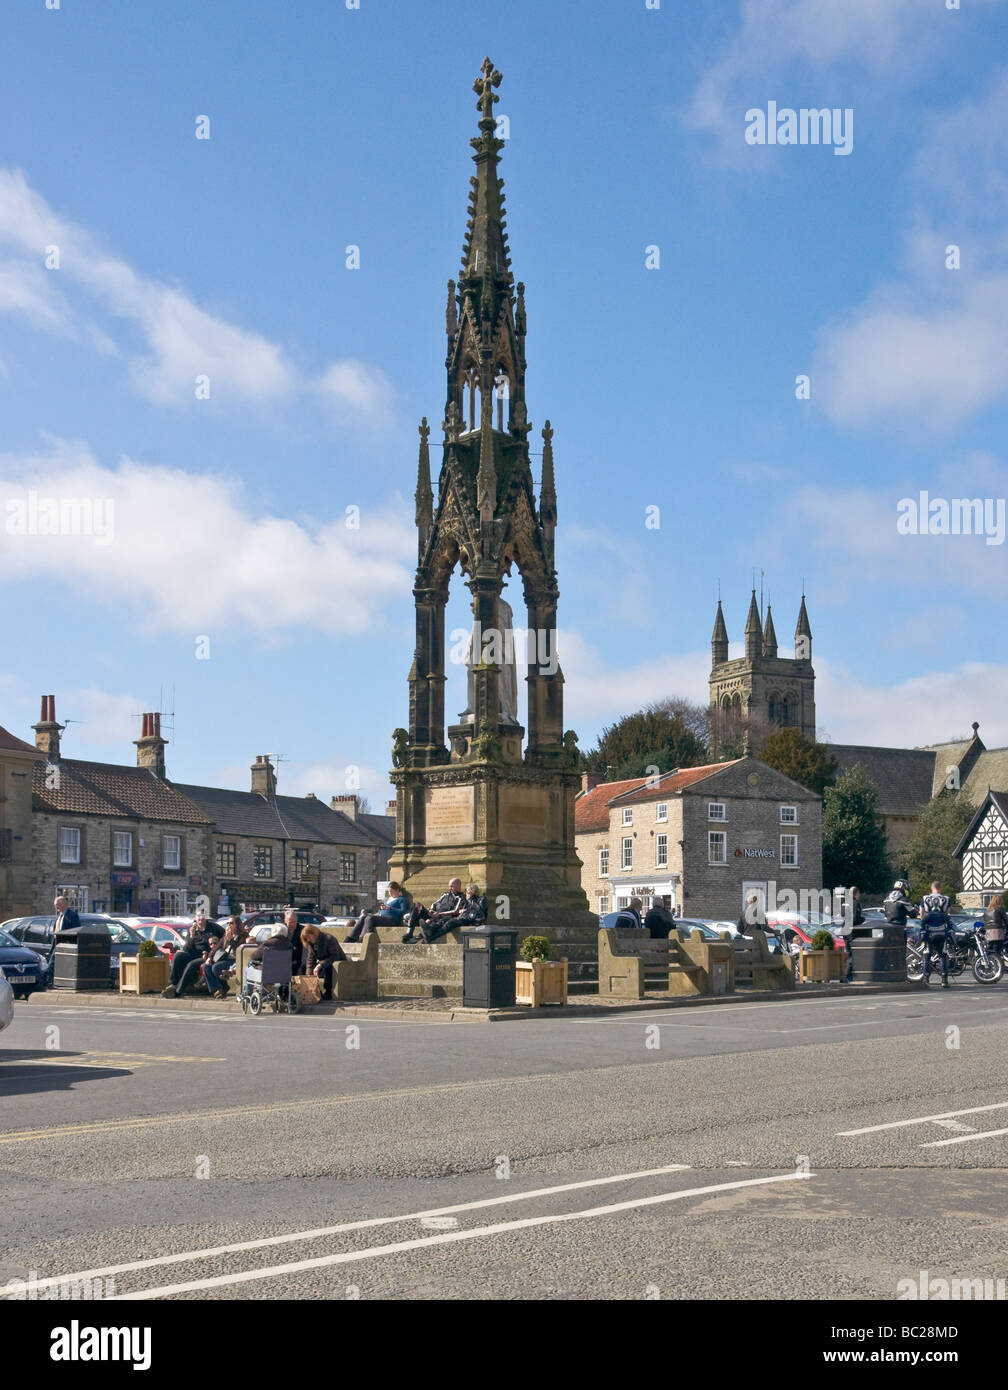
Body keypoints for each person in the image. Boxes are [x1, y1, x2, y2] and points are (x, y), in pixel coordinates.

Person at [162, 909, 224, 997]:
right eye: (198, 916)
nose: (201, 918)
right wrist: (191, 936)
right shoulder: (193, 929)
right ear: (195, 918)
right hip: (193, 954)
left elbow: (224, 936)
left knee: (191, 964)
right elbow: (186, 949)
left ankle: (178, 991)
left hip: (206, 956)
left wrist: (216, 948)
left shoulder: (213, 928)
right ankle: (172, 985)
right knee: (178, 955)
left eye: (203, 916)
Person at [402, 878, 465, 943]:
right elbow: (435, 903)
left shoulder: (461, 897)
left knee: (430, 923)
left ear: (458, 886)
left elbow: (455, 911)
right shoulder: (446, 894)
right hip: (433, 914)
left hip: (443, 918)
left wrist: (438, 914)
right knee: (417, 905)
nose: (450, 888)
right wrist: (431, 910)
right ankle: (409, 932)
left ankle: (417, 937)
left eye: (452, 886)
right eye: (449, 886)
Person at [202, 916, 248, 1000]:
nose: (229, 925)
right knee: (205, 966)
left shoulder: (243, 936)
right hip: (225, 958)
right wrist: (210, 957)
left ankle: (223, 988)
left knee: (216, 967)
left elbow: (238, 950)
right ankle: (215, 990)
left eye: (231, 923)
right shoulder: (226, 935)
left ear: (237, 925)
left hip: (235, 960)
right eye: (228, 923)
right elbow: (216, 948)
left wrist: (231, 940)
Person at [299, 924, 347, 1001]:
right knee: (305, 966)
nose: (308, 940)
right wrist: (309, 977)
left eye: (308, 937)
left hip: (337, 964)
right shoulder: (311, 944)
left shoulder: (329, 939)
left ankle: (328, 992)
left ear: (313, 933)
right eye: (306, 938)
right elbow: (310, 960)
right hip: (323, 964)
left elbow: (335, 956)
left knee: (327, 967)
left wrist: (320, 965)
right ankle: (313, 990)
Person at [918, 881, 952, 989]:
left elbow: (921, 914)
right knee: (943, 955)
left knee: (927, 955)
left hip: (929, 933)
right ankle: (944, 980)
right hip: (942, 931)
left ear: (931, 888)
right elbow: (948, 914)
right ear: (940, 888)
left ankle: (926, 978)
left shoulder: (925, 898)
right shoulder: (946, 899)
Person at [983, 893, 1008, 959]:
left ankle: (991, 962)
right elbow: (1006, 920)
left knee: (990, 948)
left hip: (988, 931)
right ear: (1000, 901)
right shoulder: (1000, 909)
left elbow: (984, 921)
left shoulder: (987, 910)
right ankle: (998, 964)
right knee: (997, 949)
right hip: (997, 931)